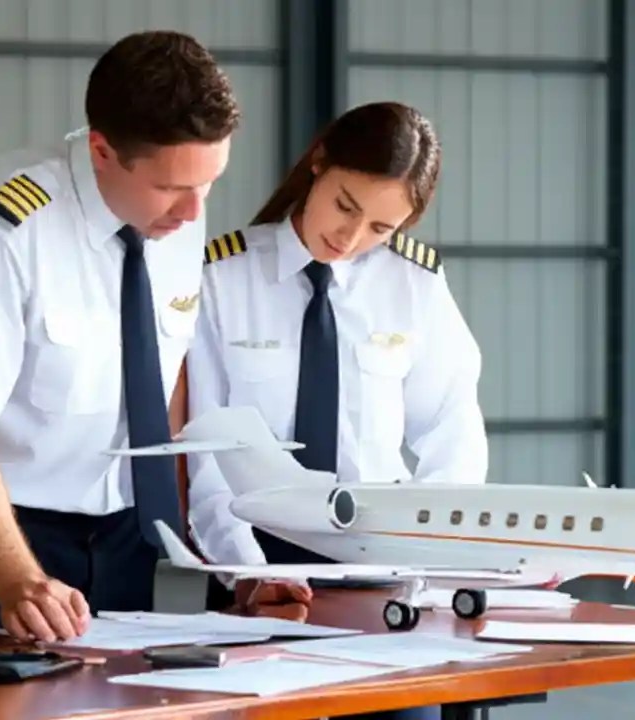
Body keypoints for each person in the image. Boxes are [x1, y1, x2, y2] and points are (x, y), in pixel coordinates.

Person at [0, 30, 240, 644]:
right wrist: (16, 580)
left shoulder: (178, 210)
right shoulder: (7, 222)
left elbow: (167, 382)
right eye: (171, 187)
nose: (194, 212)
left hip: (128, 540)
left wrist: (205, 541)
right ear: (103, 151)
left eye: (208, 184)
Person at [184, 101, 486, 720]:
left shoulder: (415, 286)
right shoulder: (222, 277)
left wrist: (431, 556)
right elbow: (204, 446)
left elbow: (453, 430)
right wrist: (247, 571)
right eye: (346, 205)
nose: (350, 238)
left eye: (380, 227)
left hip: (384, 570)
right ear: (318, 162)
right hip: (262, 570)